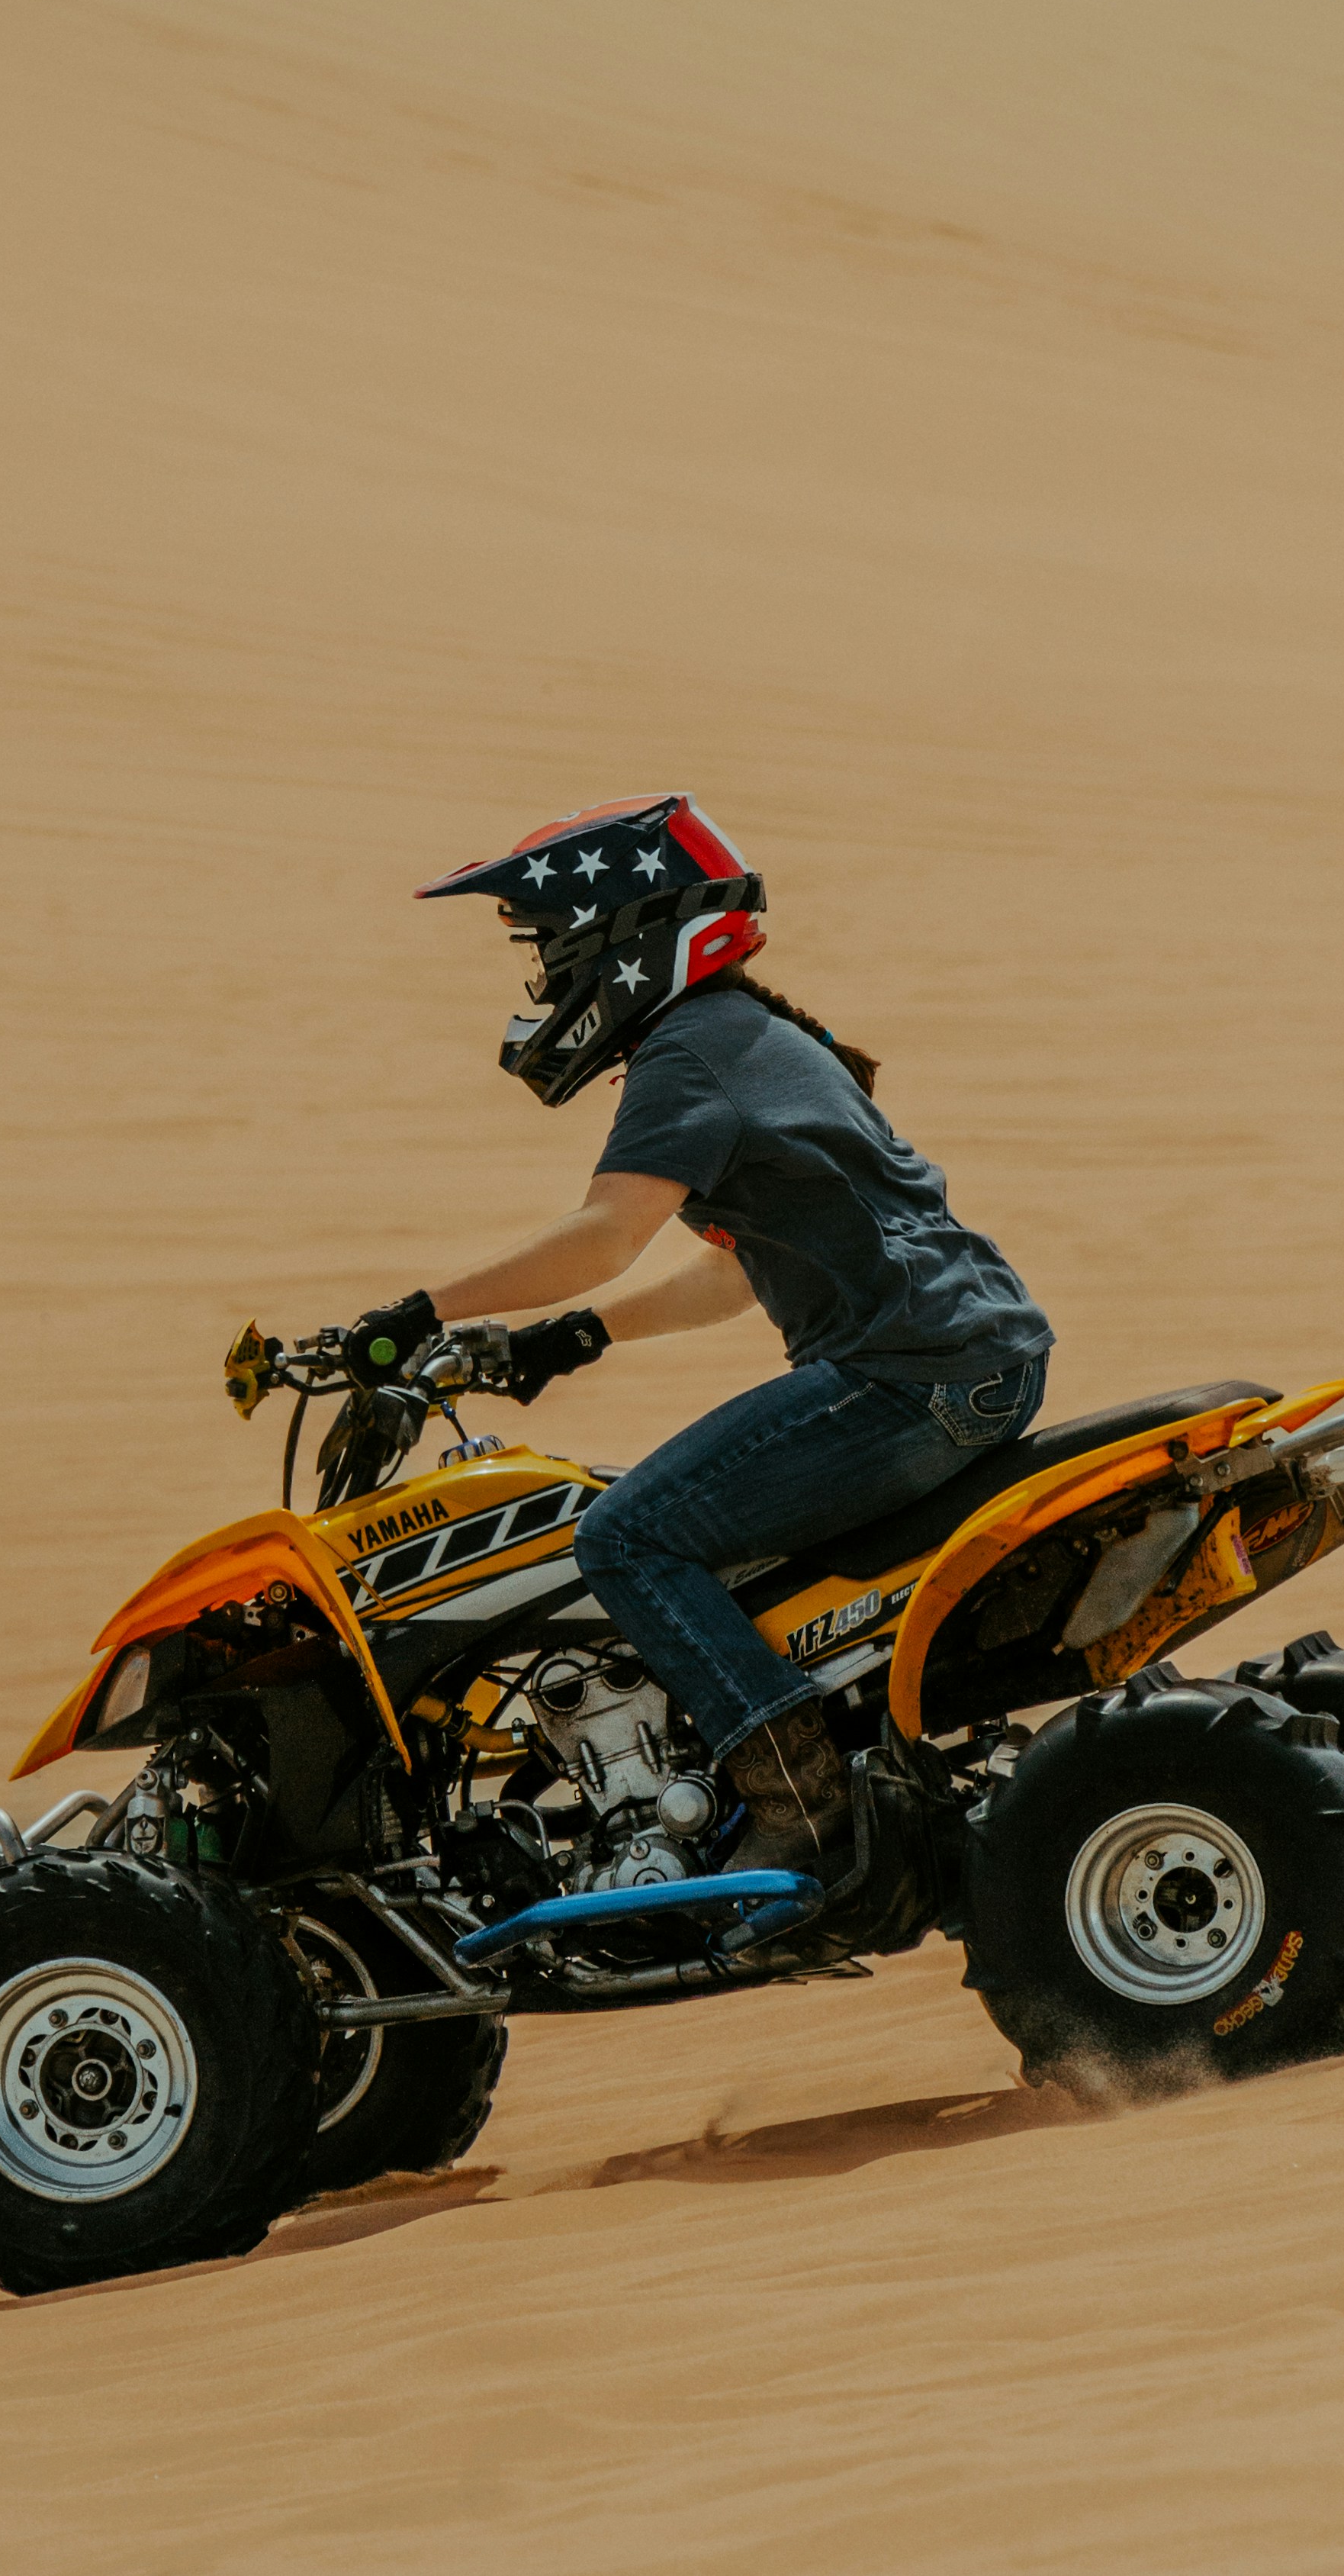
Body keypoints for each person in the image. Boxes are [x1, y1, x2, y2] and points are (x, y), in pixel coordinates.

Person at [339, 794, 1053, 1885]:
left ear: (624, 936)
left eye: (554, 948)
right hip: (971, 1360)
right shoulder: (747, 1035)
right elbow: (729, 1272)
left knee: (625, 1537)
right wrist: (568, 1340)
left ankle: (797, 1799)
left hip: (907, 1378)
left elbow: (605, 1232)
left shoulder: (692, 1050)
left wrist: (423, 1314)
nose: (544, 981)